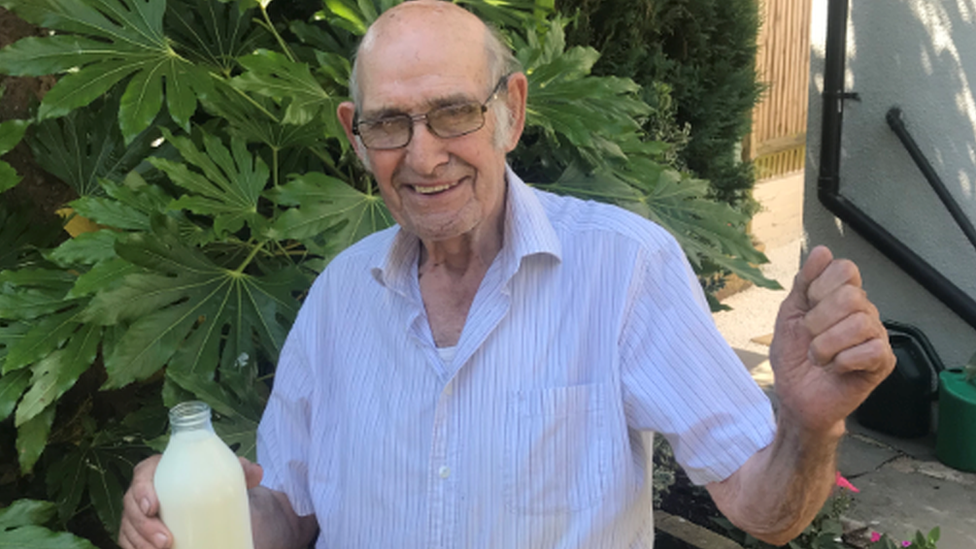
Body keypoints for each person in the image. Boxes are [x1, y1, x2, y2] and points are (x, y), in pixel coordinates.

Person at [118, 2, 896, 548]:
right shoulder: (338, 298)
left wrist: (808, 422)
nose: (423, 157)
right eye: (391, 123)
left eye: (453, 112)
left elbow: (765, 507)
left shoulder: (624, 267)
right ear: (356, 137)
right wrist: (190, 510)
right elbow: (288, 516)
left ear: (510, 112)